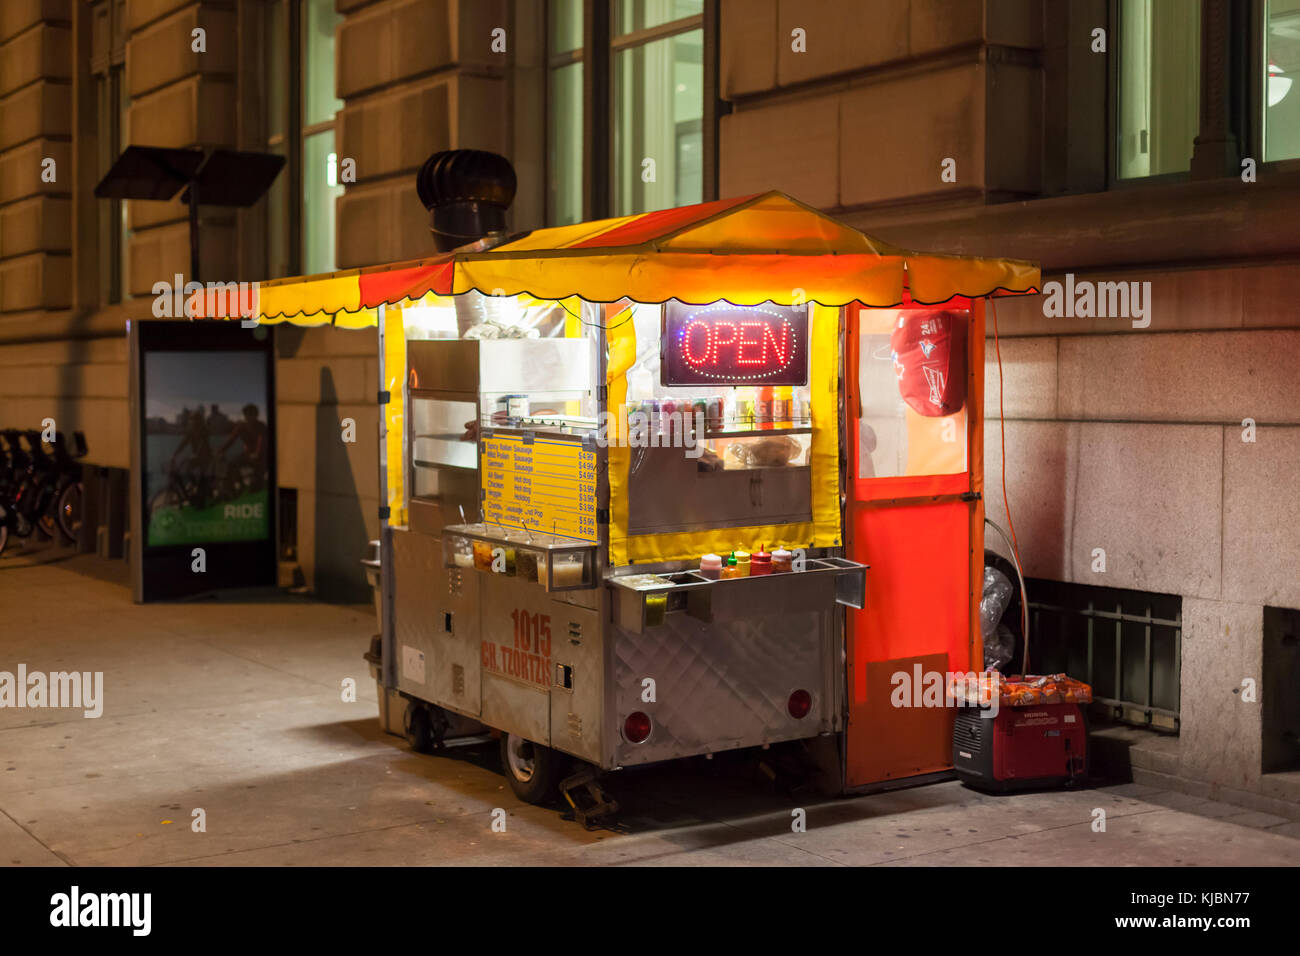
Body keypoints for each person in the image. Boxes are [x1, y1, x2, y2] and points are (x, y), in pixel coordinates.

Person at [218, 404, 269, 491]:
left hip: (262, 457)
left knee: (256, 487)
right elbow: (232, 439)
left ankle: (257, 482)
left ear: (256, 415)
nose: (248, 417)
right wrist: (221, 450)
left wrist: (256, 454)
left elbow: (261, 441)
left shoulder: (261, 426)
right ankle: (232, 488)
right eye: (246, 414)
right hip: (248, 454)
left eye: (250, 414)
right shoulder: (242, 426)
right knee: (231, 465)